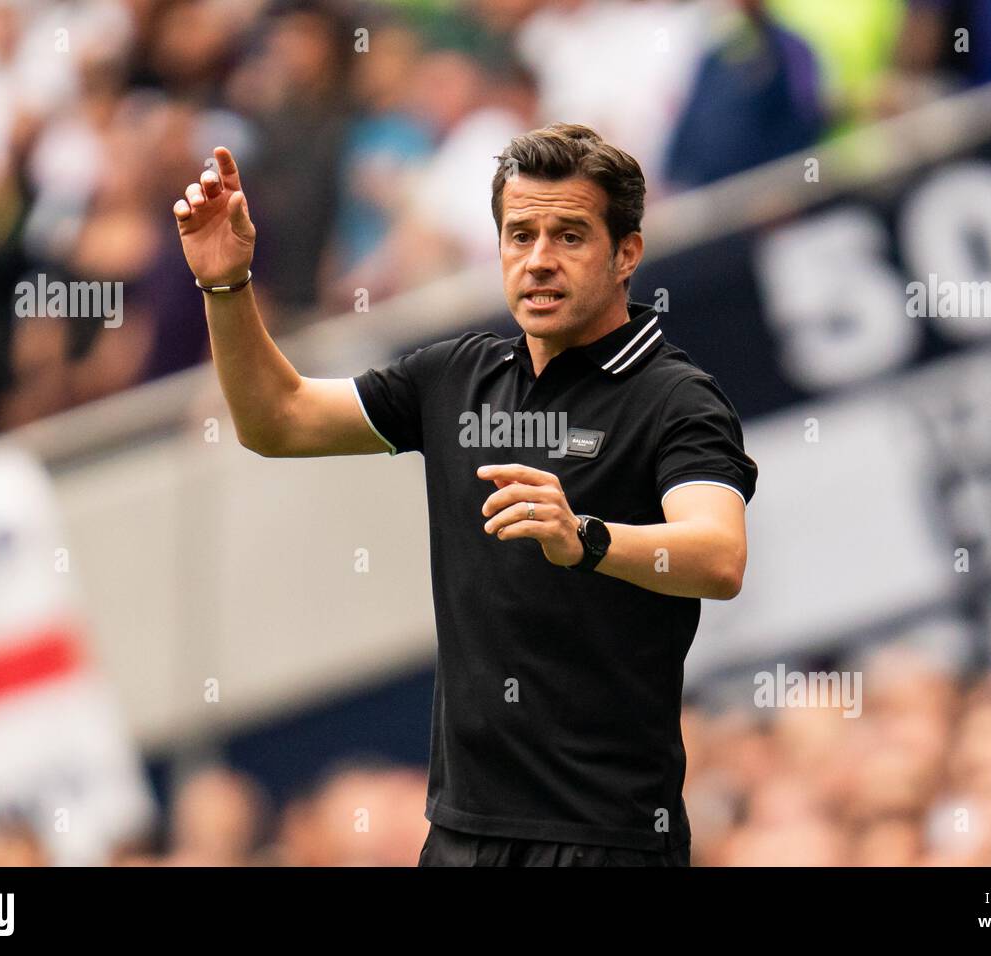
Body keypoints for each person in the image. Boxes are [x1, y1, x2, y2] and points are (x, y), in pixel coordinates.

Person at [172, 123, 758, 867]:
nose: (539, 259)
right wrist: (225, 285)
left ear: (626, 255)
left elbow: (718, 554)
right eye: (520, 235)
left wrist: (587, 537)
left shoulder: (676, 399)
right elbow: (276, 420)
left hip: (607, 841)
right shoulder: (456, 376)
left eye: (570, 236)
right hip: (462, 837)